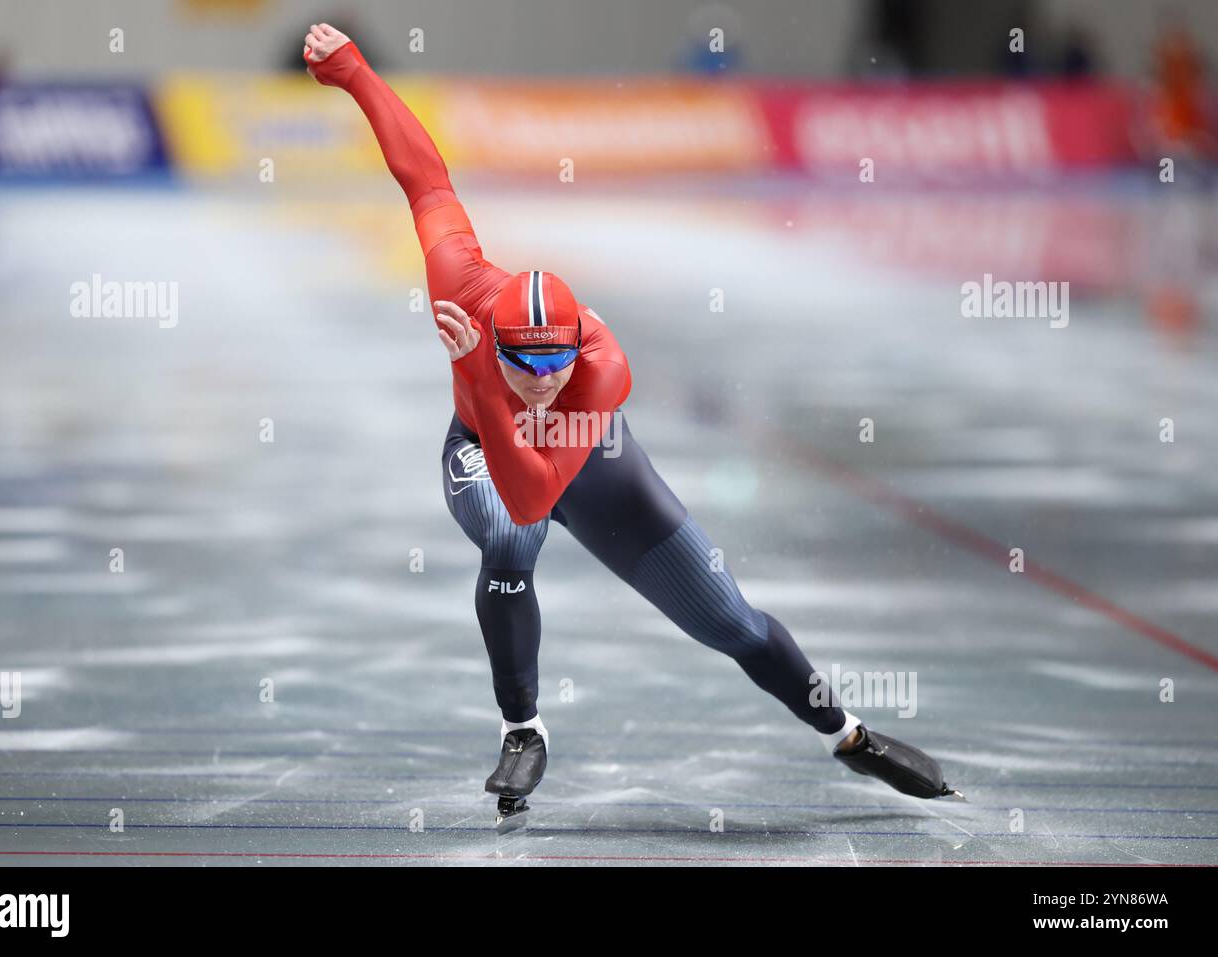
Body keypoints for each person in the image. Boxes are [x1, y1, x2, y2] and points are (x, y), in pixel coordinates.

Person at [302, 23, 958, 830]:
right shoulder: (461, 279)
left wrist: (483, 373)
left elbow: (540, 486)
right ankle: (524, 728)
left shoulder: (602, 371)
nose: (541, 387)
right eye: (522, 368)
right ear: (497, 333)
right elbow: (423, 175)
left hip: (582, 463)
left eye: (555, 371)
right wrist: (357, 72)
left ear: (578, 349)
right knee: (508, 540)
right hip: (478, 450)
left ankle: (848, 733)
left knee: (736, 626)